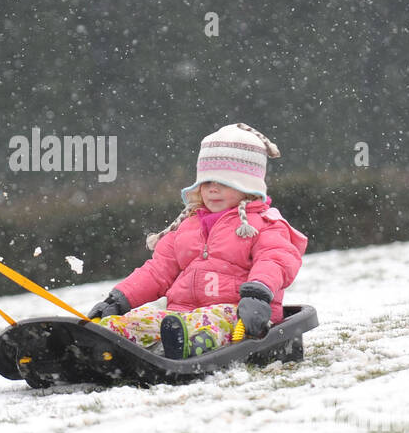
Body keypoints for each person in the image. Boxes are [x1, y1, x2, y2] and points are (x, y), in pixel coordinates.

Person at [88, 124, 307, 358]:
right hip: (180, 317)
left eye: (224, 182)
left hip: (242, 314)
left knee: (215, 321)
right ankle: (103, 341)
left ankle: (190, 346)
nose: (213, 189)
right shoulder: (187, 226)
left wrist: (257, 295)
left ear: (248, 188)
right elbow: (157, 271)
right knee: (141, 320)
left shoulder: (264, 224)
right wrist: (119, 299)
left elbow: (275, 260)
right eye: (206, 182)